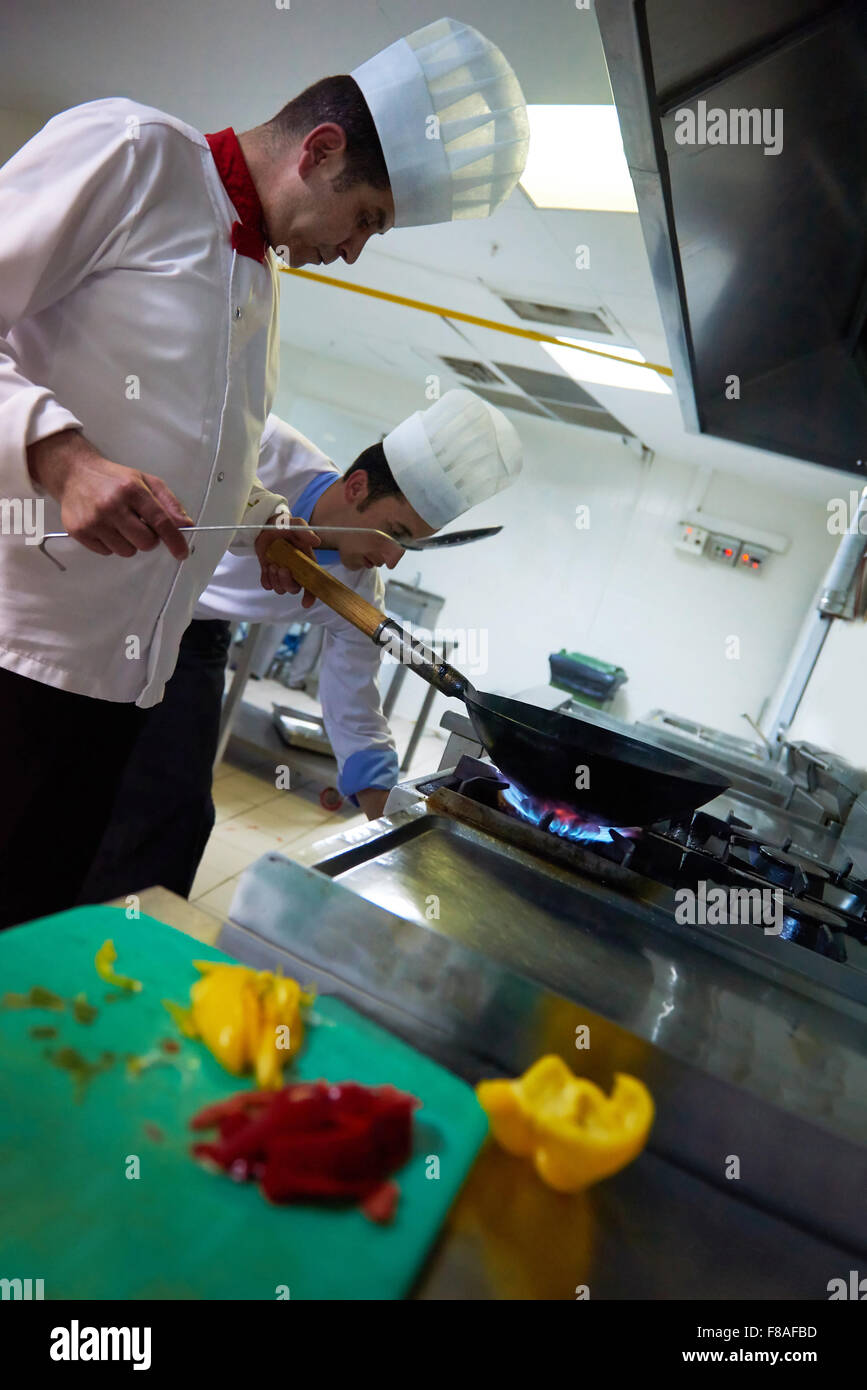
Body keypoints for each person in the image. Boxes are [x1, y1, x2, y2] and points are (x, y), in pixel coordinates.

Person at [0, 17, 529, 927]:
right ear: (320, 151)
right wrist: (61, 455)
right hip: (19, 653)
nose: (355, 250)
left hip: (118, 689)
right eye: (366, 219)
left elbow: (199, 463)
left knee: (31, 934)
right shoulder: (134, 154)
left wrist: (261, 518)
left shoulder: (258, 285)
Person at [79, 390, 523, 902]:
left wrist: (395, 834)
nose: (391, 559)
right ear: (356, 487)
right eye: (394, 533)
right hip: (116, 589)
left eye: (409, 546)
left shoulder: (357, 591)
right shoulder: (265, 446)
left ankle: (121, 928)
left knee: (176, 810)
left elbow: (356, 711)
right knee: (79, 760)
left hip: (194, 634)